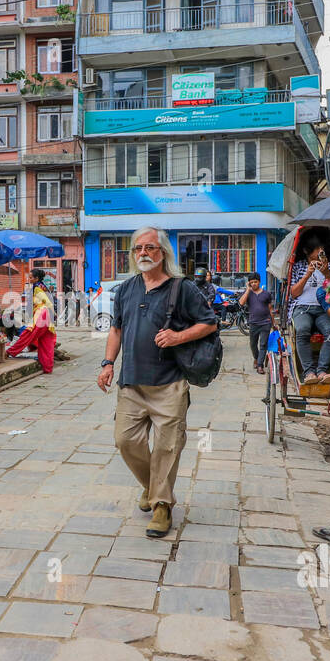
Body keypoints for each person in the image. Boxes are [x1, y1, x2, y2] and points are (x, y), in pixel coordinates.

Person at [98, 227, 217, 538]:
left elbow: (209, 323)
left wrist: (179, 336)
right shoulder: (125, 290)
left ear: (163, 253)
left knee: (167, 447)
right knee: (125, 441)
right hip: (132, 383)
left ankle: (162, 506)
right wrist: (108, 364)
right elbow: (116, 330)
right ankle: (153, 487)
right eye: (138, 248)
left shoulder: (182, 289)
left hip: (169, 383)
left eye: (150, 248)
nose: (143, 254)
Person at [287, 237, 330, 384]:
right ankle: (309, 373)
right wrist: (307, 274)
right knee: (302, 329)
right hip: (302, 308)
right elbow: (293, 293)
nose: (321, 253)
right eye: (317, 250)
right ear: (306, 252)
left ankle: (322, 371)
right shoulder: (298, 267)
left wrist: (327, 274)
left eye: (322, 250)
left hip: (324, 310)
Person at [6, 269, 57, 372]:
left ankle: (10, 352)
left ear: (36, 278)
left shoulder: (37, 287)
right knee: (46, 341)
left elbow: (47, 302)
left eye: (31, 277)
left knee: (28, 333)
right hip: (46, 315)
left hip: (42, 313)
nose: (29, 279)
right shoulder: (43, 286)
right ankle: (47, 367)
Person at [239, 273, 275, 373]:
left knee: (263, 344)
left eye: (255, 282)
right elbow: (241, 303)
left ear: (259, 282)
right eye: (251, 283)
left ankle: (260, 365)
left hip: (265, 323)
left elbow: (270, 309)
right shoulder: (248, 293)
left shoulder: (266, 294)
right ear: (249, 283)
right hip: (253, 323)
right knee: (253, 344)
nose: (254, 284)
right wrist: (247, 290)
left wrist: (274, 323)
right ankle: (256, 357)